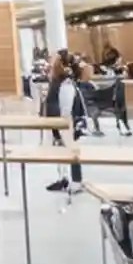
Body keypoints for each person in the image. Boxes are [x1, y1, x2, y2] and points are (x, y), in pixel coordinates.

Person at [45, 50, 88, 193]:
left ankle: (76, 182)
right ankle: (63, 179)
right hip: (59, 122)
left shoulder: (66, 83)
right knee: (62, 150)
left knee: (71, 151)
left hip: (66, 122)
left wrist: (62, 124)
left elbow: (66, 106)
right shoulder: (58, 80)